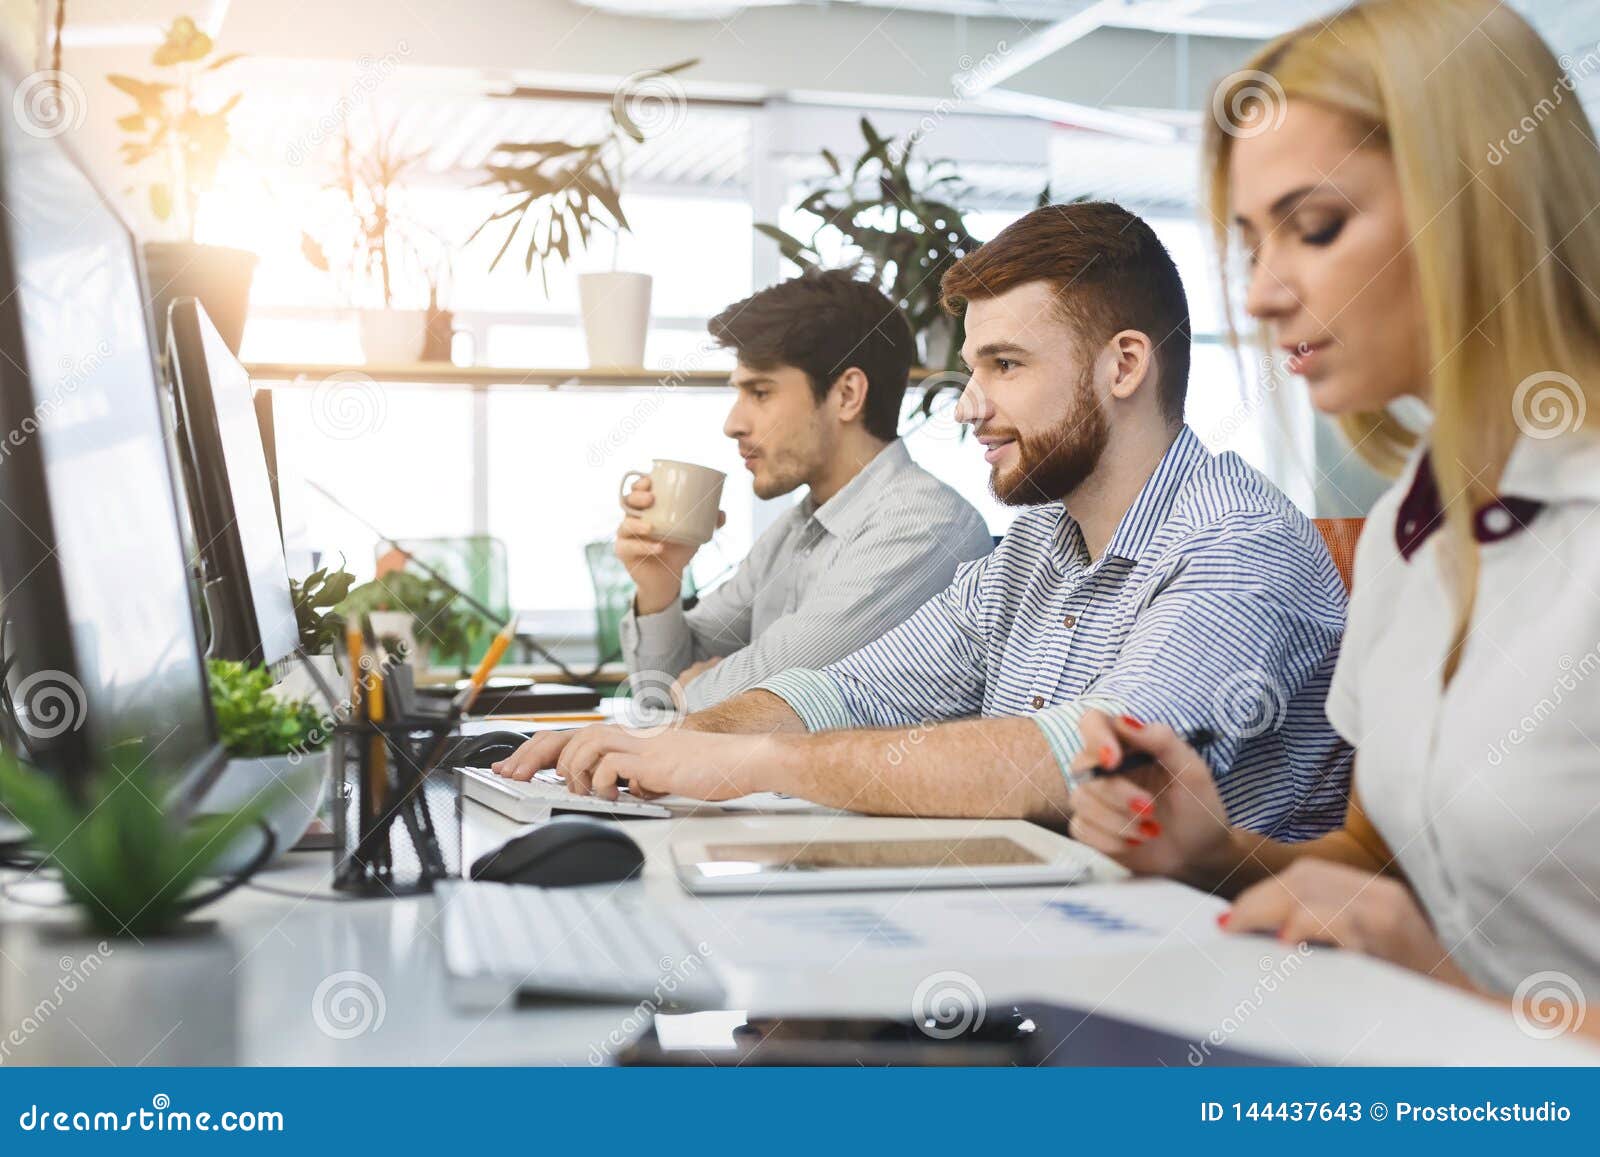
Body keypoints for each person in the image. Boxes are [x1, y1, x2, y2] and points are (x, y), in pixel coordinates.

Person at [1063, 0, 1600, 1030]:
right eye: (1250, 244)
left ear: (1481, 201)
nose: (1262, 294)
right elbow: (1384, 862)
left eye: (1314, 228)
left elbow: (1436, 959)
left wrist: (1462, 1001)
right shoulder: (1410, 529)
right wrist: (1214, 851)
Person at [498, 201, 1351, 836]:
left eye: (1005, 365)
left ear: (1124, 365)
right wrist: (669, 740)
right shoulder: (1035, 550)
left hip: (1197, 988)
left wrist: (748, 760)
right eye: (974, 368)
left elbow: (1094, 761)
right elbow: (851, 689)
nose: (968, 406)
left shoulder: (1241, 544)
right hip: (1050, 942)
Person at [617, 268, 992, 711]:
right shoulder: (797, 526)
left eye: (759, 392)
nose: (732, 424)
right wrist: (659, 581)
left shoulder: (924, 527)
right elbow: (658, 691)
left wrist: (692, 690)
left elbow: (760, 701)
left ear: (847, 395)